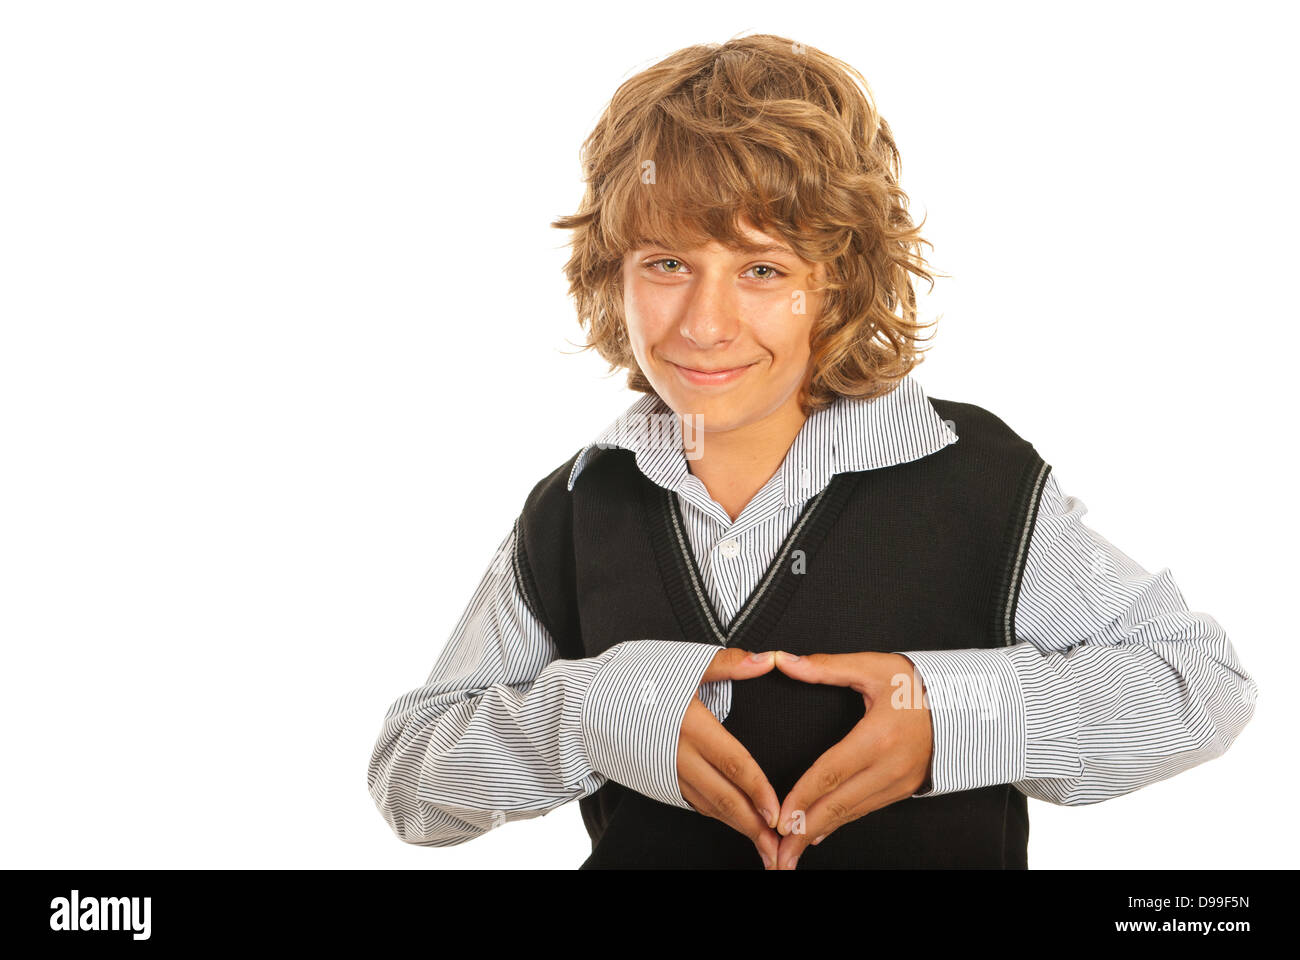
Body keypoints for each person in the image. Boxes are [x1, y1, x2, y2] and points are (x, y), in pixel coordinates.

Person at [366, 34, 1258, 869]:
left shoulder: (975, 482)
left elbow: (1201, 682)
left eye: (762, 270)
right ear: (611, 271)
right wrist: (588, 713)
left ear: (837, 282)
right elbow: (410, 783)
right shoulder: (576, 506)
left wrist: (949, 717)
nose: (704, 324)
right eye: (665, 264)